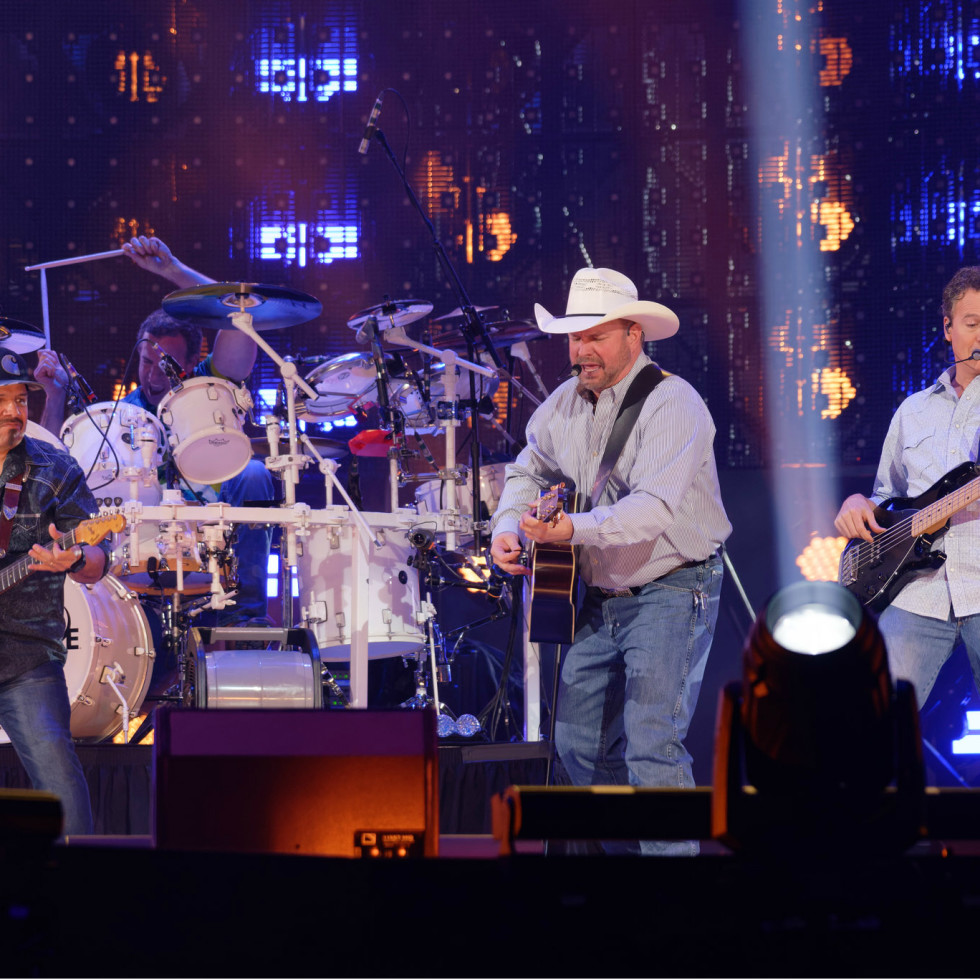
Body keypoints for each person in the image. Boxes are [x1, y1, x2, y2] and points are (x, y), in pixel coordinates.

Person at [489, 268, 731, 856]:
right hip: (602, 596)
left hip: (673, 586)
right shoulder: (565, 402)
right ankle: (647, 844)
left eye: (595, 336)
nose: (581, 350)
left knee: (653, 743)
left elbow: (650, 511)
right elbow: (528, 468)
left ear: (633, 335)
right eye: (575, 337)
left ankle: (674, 901)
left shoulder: (675, 403)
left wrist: (569, 529)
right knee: (575, 744)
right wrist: (505, 525)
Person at [34, 237, 274, 625]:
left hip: (214, 524)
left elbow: (239, 310)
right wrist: (55, 393)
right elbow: (51, 464)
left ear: (193, 359)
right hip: (144, 540)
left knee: (254, 474)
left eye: (164, 364)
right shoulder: (122, 414)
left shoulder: (210, 382)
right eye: (145, 361)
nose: (150, 373)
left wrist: (172, 271)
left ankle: (247, 616)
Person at [834, 265, 980, 710]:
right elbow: (888, 496)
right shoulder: (912, 410)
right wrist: (859, 503)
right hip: (920, 589)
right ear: (948, 329)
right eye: (972, 324)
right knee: (873, 719)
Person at [0, 348, 111, 837]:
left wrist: (77, 558)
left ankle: (81, 896)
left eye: (21, 400)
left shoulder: (54, 468)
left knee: (60, 787)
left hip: (26, 655)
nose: (15, 412)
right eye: (2, 400)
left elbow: (100, 562)